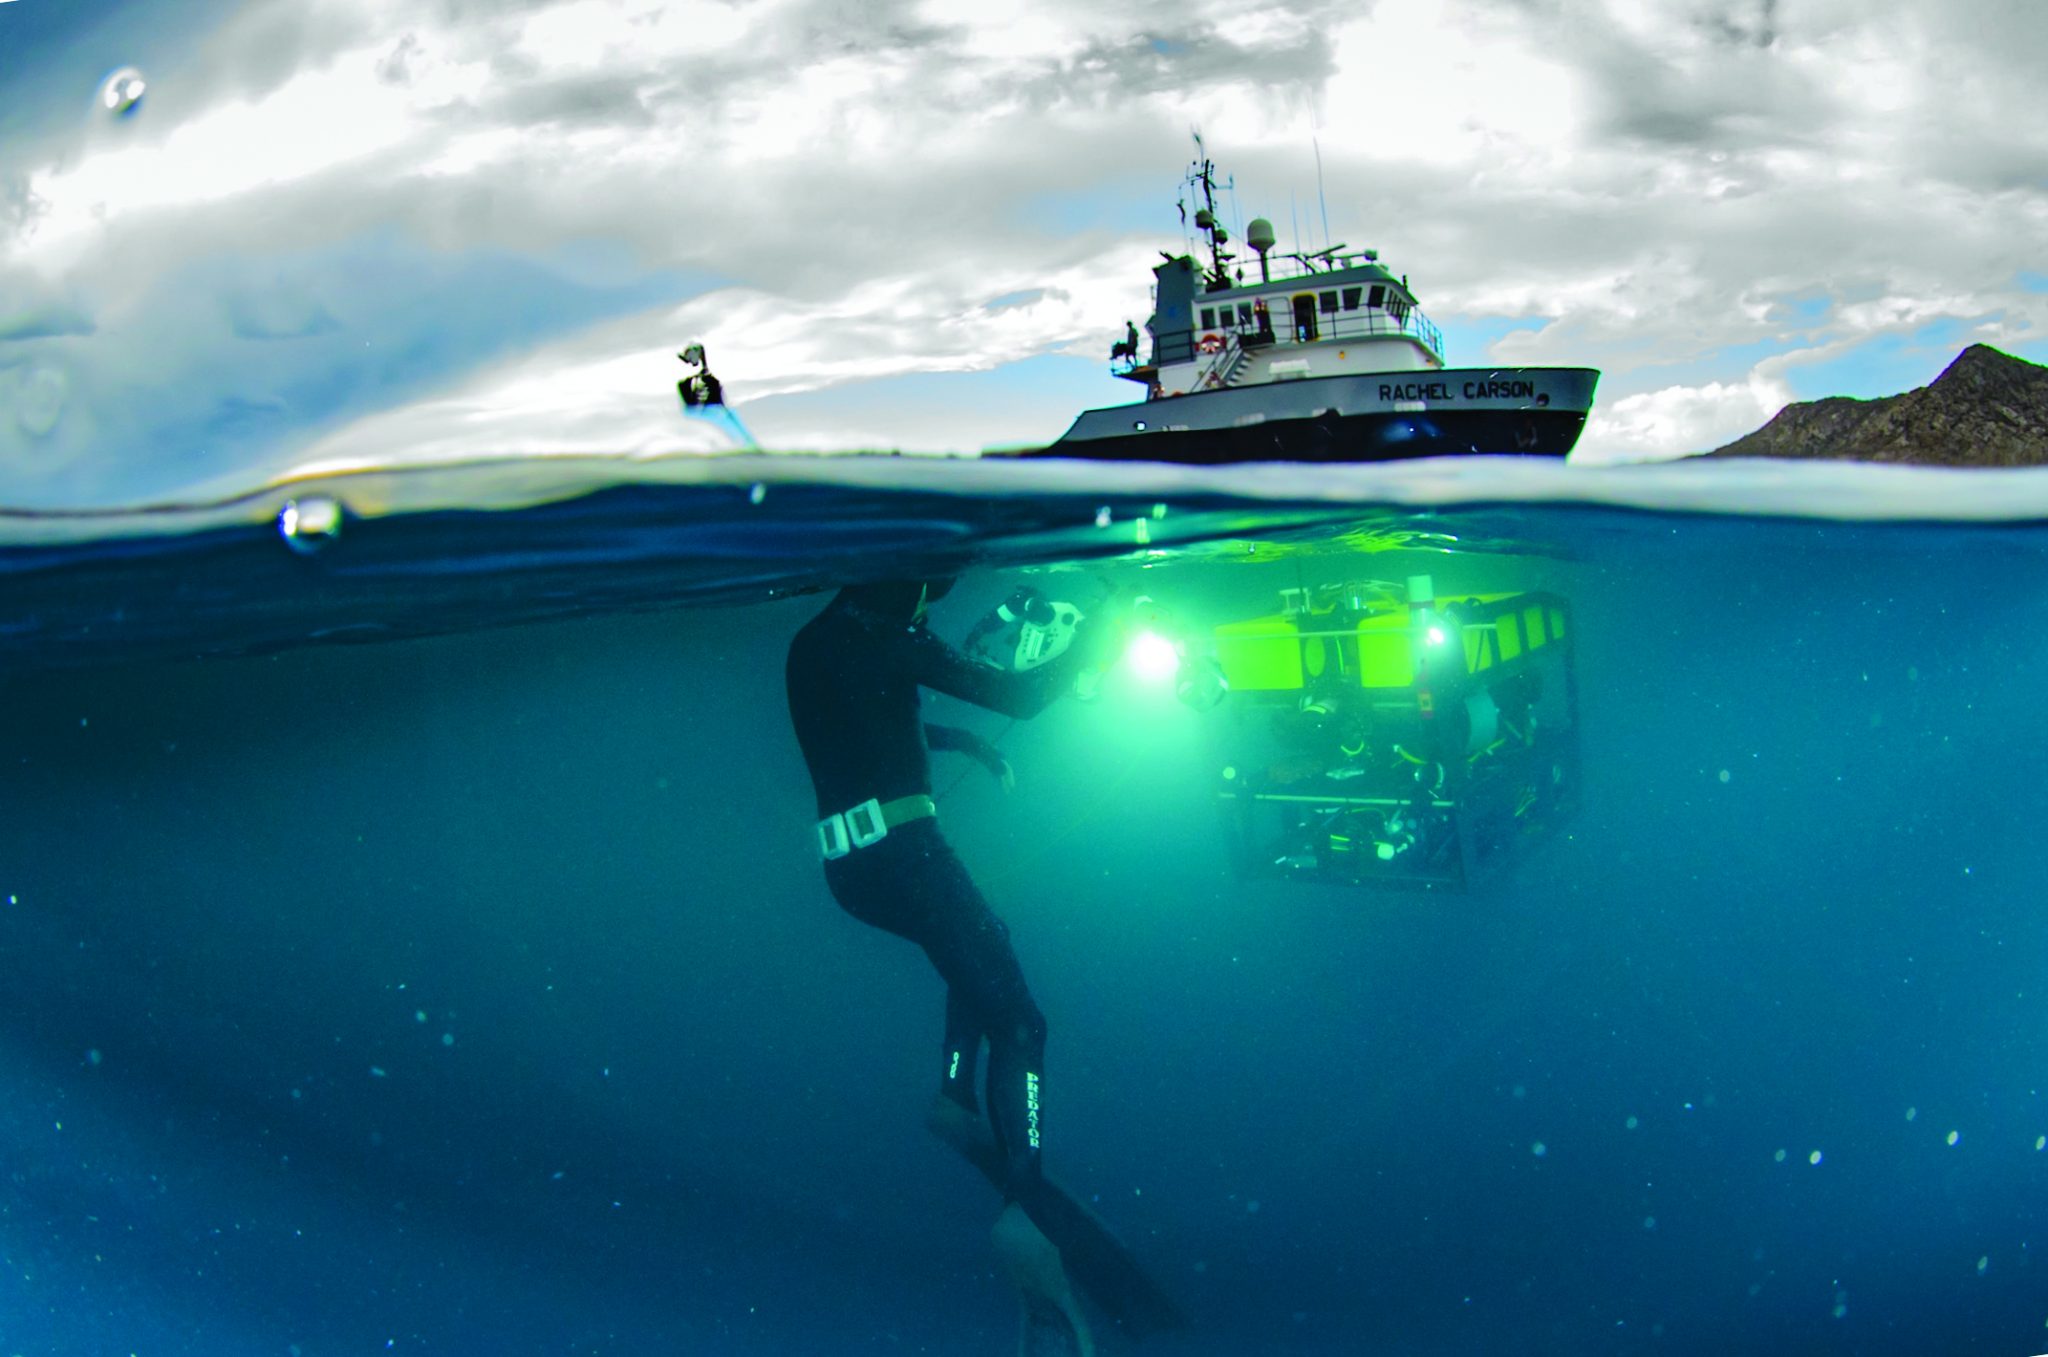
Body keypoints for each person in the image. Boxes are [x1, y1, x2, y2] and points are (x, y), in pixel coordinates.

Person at [786, 578, 1107, 1198]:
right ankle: (1027, 1204)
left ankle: (956, 1096)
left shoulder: (817, 640)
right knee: (1021, 1025)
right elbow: (1025, 694)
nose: (930, 611)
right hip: (907, 859)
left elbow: (862, 716)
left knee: (975, 961)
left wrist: (964, 741)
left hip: (850, 874)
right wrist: (1098, 634)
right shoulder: (889, 632)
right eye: (931, 594)